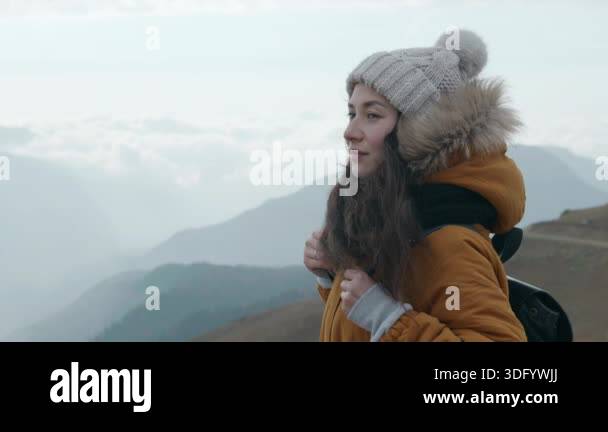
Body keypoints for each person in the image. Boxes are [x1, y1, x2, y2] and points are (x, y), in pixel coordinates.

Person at [303, 28, 527, 342]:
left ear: (416, 130)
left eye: (372, 115)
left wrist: (388, 319)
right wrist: (332, 280)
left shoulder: (447, 242)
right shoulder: (391, 221)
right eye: (352, 113)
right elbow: (369, 326)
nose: (350, 131)